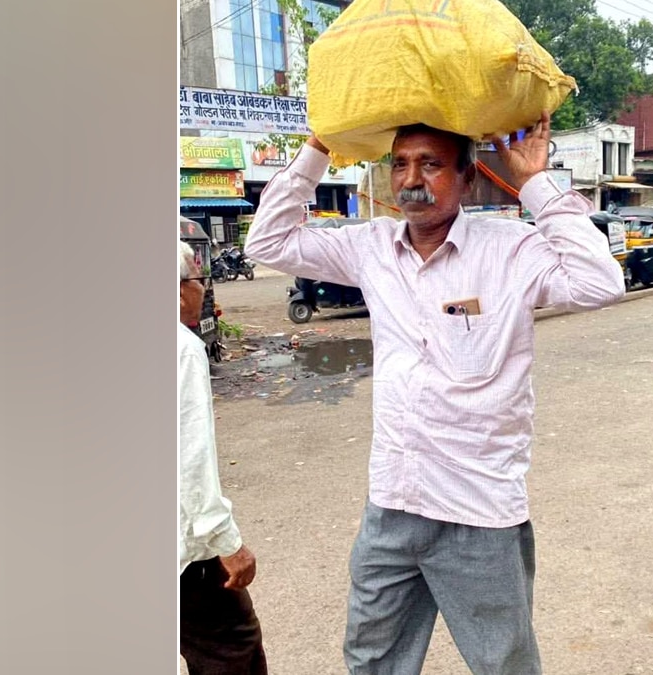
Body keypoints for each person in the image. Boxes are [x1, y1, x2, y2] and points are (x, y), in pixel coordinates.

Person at [244, 110, 625, 674]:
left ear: (467, 178)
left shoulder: (510, 251)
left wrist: (536, 185)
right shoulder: (369, 248)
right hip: (392, 507)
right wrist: (320, 146)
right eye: (399, 164)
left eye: (431, 164)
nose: (410, 179)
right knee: (372, 659)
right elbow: (268, 242)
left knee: (505, 665)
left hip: (480, 513)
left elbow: (601, 283)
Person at [178, 240, 268, 675]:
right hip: (183, 556)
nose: (203, 291)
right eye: (200, 280)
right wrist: (226, 542)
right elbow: (186, 453)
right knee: (232, 648)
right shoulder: (179, 347)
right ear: (179, 291)